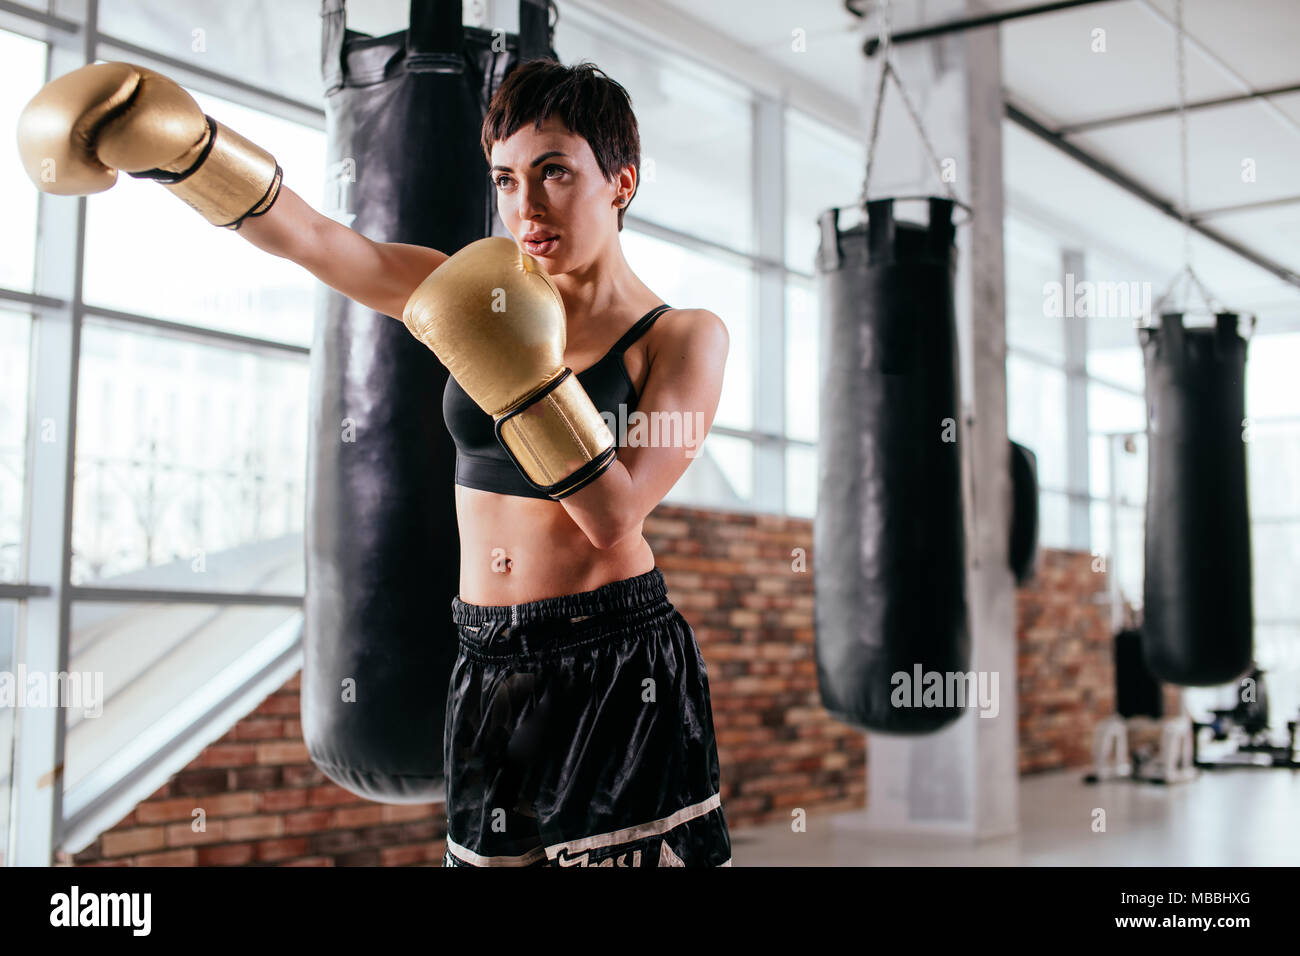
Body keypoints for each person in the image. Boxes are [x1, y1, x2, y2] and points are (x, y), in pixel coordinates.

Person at [18, 56, 732, 866]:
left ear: (621, 183)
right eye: (503, 179)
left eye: (555, 172)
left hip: (613, 660)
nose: (524, 206)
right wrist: (187, 151)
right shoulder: (467, 291)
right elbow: (319, 241)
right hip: (486, 653)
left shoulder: (685, 337)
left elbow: (614, 513)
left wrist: (530, 378)